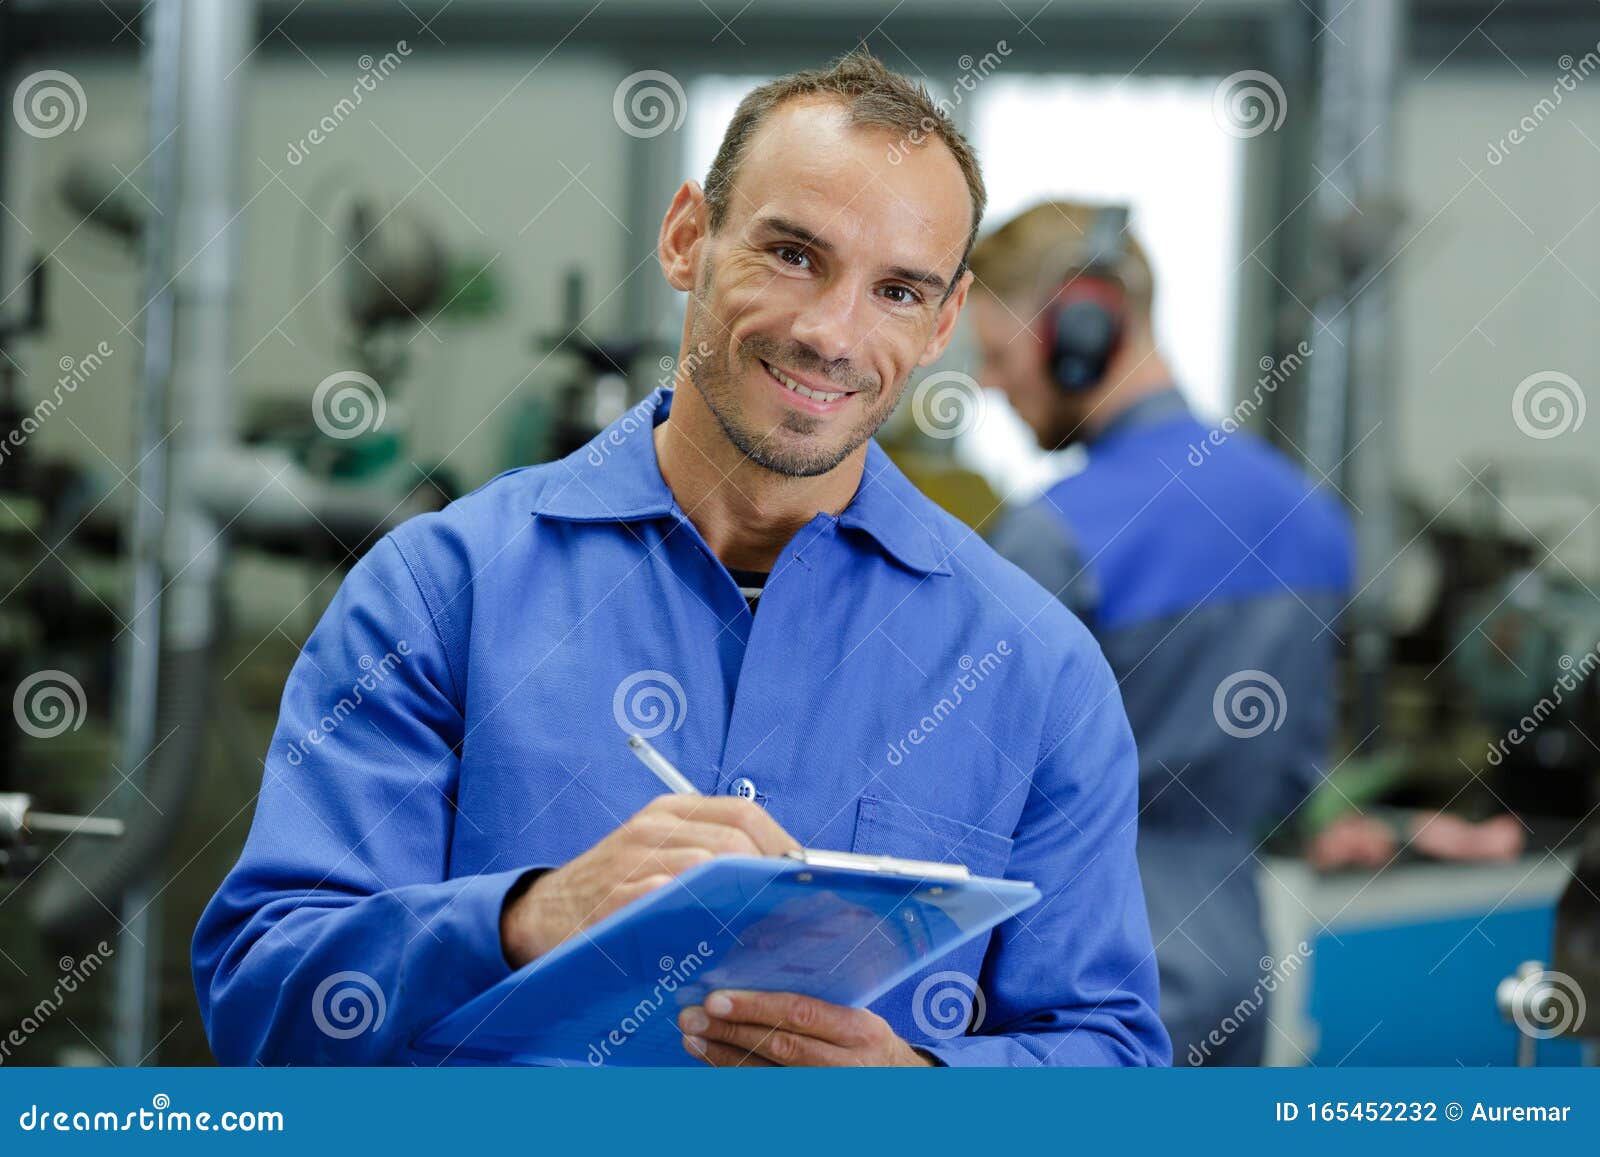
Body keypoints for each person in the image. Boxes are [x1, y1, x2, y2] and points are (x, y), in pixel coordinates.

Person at [193, 54, 1169, 1068]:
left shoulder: (1035, 668)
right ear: (686, 236)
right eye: (793, 254)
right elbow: (260, 1002)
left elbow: (1109, 1056)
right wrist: (532, 914)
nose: (830, 332)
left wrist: (916, 1090)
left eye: (895, 289)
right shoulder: (439, 595)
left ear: (942, 323)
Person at [969, 200, 1354, 1065]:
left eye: (996, 354)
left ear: (1081, 329)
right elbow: (1296, 781)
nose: (990, 384)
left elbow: (980, 802)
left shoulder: (1051, 536)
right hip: (1236, 962)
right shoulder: (1313, 517)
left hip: (1077, 991)